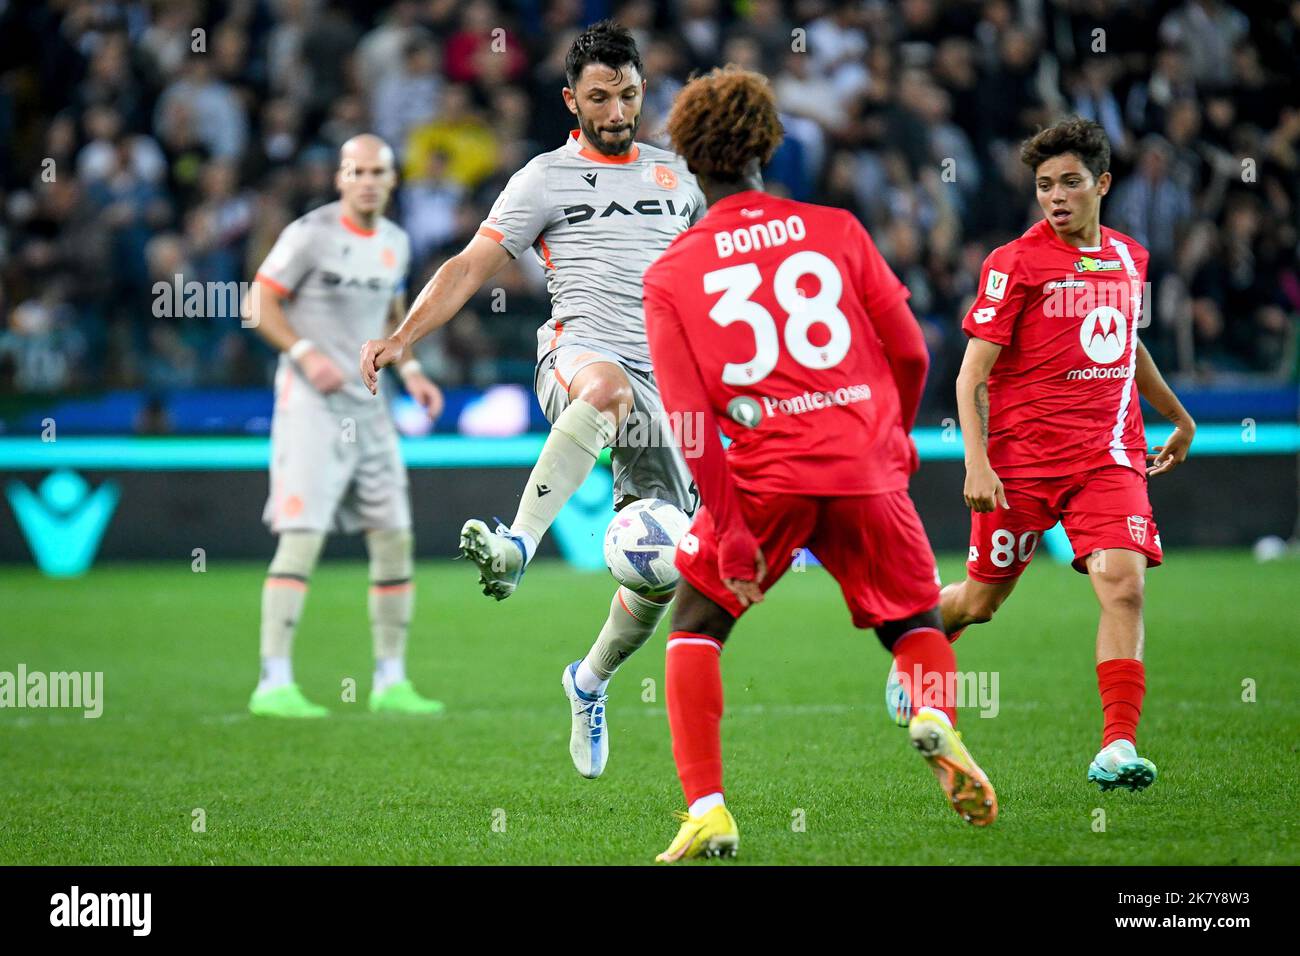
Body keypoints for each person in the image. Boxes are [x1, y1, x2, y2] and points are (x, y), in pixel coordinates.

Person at [642, 66, 997, 863]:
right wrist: (893, 435)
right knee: (914, 622)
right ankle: (932, 714)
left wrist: (732, 530)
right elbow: (912, 350)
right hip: (864, 465)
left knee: (695, 628)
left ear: (688, 161)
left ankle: (708, 811)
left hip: (766, 480)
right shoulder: (836, 229)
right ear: (768, 145)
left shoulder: (669, 275)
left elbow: (691, 422)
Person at [359, 21, 706, 778]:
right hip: (579, 354)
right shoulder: (543, 178)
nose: (616, 111)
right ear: (571, 101)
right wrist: (402, 336)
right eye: (599, 98)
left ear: (643, 90)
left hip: (672, 389)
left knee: (659, 573)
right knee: (606, 389)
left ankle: (589, 681)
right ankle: (517, 545)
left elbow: (716, 283)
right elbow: (468, 266)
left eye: (627, 95)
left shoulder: (680, 178)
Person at [893, 117, 1195, 792]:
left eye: (1069, 182)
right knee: (979, 602)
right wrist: (977, 462)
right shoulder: (1015, 263)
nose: (1056, 196)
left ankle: (1117, 746)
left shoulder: (1130, 259)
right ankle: (913, 647)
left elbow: (1127, 344)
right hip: (1019, 466)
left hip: (1107, 457)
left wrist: (1177, 416)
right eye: (1044, 185)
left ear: (1102, 184)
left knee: (1124, 585)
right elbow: (971, 375)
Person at [244, 134, 445, 718]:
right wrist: (305, 353)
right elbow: (258, 302)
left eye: (378, 172)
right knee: (302, 537)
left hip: (371, 406)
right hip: (310, 407)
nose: (368, 181)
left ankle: (390, 681)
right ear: (340, 178)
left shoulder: (395, 242)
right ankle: (273, 682)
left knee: (394, 538)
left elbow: (392, 313)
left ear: (392, 180)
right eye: (357, 171)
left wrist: (413, 371)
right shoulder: (310, 234)